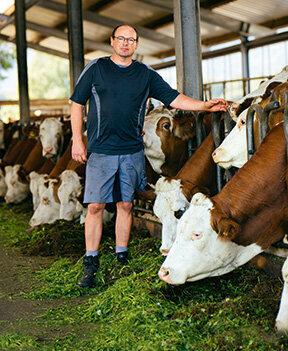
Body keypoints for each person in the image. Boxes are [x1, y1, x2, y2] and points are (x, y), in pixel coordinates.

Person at [70, 24, 228, 288]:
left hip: (132, 150)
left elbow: (174, 98)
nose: (125, 43)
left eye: (130, 40)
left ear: (136, 44)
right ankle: (91, 261)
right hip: (101, 150)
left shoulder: (145, 74)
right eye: (121, 38)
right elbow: (76, 104)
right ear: (112, 41)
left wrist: (203, 105)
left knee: (126, 205)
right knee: (96, 206)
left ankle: (121, 255)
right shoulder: (96, 68)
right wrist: (77, 139)